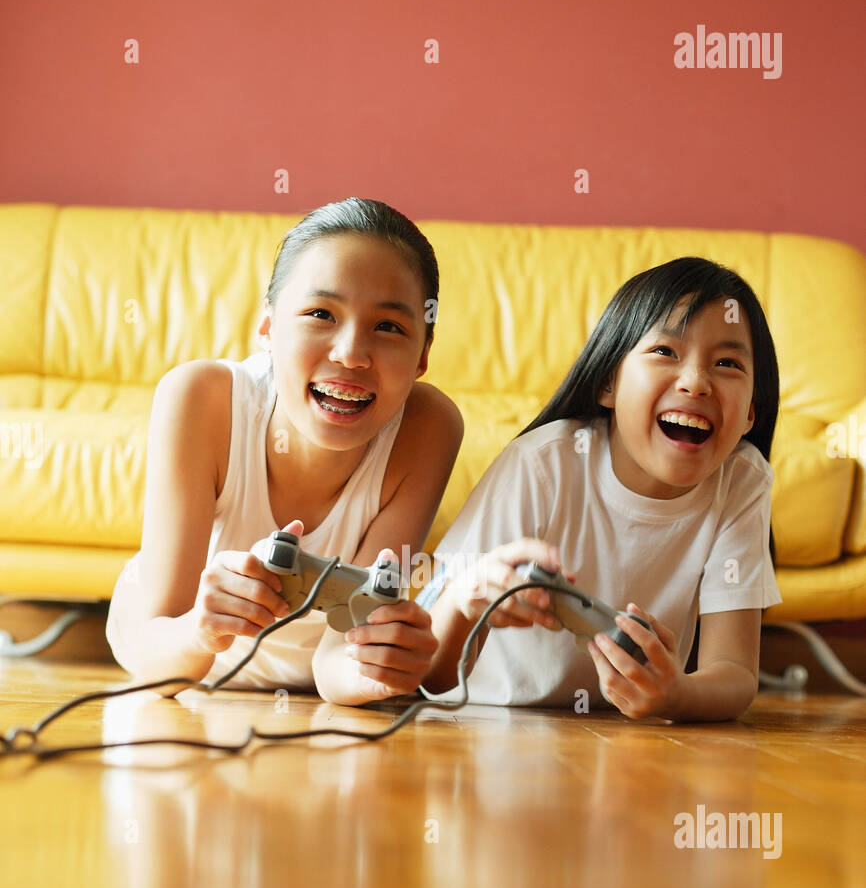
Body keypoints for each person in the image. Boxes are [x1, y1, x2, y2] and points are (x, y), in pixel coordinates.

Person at [106, 197, 463, 704]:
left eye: (388, 327)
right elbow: (154, 648)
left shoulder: (430, 427)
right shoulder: (200, 399)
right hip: (172, 657)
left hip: (309, 681)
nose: (351, 354)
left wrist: (384, 669)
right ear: (268, 327)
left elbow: (337, 661)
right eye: (321, 313)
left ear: (423, 354)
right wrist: (202, 632)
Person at [419, 257, 780, 721]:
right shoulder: (542, 463)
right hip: (482, 722)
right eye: (665, 352)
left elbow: (733, 672)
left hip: (624, 741)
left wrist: (678, 696)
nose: (696, 383)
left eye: (727, 363)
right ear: (608, 382)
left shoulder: (742, 480)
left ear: (751, 412)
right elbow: (429, 670)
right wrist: (468, 603)